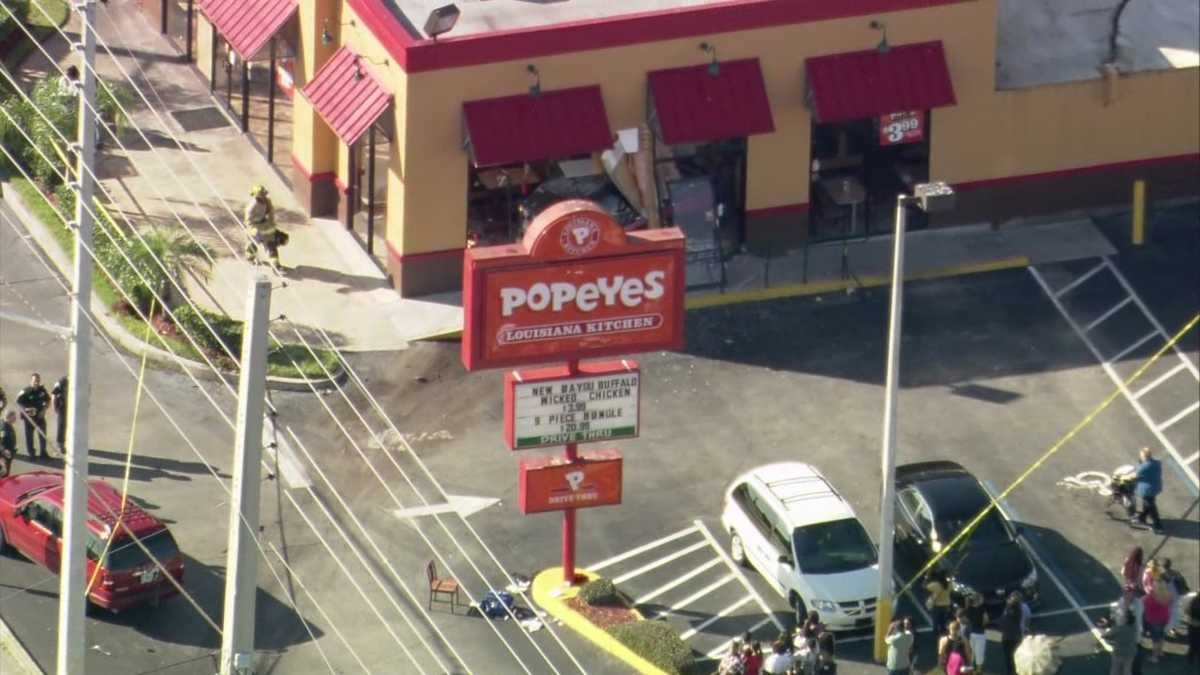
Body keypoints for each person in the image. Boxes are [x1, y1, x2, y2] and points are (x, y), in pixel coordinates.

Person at [243, 184, 288, 272]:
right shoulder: (251, 207)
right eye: (260, 196)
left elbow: (271, 213)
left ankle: (275, 265)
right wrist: (253, 230)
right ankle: (250, 257)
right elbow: (248, 221)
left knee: (271, 245)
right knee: (255, 244)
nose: (262, 198)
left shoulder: (267, 202)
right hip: (255, 228)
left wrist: (271, 225)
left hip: (265, 226)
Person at [1127, 447, 1163, 534]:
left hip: (1148, 490)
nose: (1140, 456)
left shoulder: (1144, 467)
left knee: (1151, 507)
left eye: (1141, 455)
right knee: (1148, 503)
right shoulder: (1157, 463)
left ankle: (1158, 525)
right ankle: (1142, 517)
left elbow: (1135, 475)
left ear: (1144, 456)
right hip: (1156, 486)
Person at [15, 373, 50, 460]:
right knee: (29, 437)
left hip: (40, 416)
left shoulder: (42, 391)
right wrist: (26, 410)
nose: (36, 382)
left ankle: (43, 453)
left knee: (43, 435)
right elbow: (18, 401)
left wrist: (44, 410)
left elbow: (48, 400)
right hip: (29, 418)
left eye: (38, 381)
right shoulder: (26, 391)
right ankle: (31, 454)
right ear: (31, 381)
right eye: (35, 381)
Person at [1143, 574, 1171, 662]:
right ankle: (1160, 652)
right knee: (1161, 636)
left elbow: (1145, 605)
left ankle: (1154, 657)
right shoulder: (1168, 594)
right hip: (1165, 618)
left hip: (1154, 620)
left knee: (1155, 639)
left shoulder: (1151, 598)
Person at [1105, 608, 1139, 675]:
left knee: (1115, 670)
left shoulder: (1118, 628)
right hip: (1130, 652)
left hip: (1119, 652)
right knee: (1127, 670)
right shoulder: (1133, 627)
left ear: (1125, 619)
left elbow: (1107, 635)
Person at [1000, 593, 1024, 675]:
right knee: (1009, 659)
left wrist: (1009, 604)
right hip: (1007, 637)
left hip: (1013, 637)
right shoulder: (1008, 608)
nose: (1010, 599)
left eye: (1012, 597)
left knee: (1013, 659)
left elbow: (1011, 616)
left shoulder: (1017, 609)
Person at [964, 592, 989, 671]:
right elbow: (986, 619)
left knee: (972, 651)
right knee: (979, 653)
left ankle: (971, 667)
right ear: (979, 600)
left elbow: (966, 620)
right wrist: (983, 625)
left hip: (971, 633)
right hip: (980, 633)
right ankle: (979, 670)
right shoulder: (982, 609)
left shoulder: (969, 608)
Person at [927, 570, 953, 639]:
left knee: (935, 622)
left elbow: (926, 587)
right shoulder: (949, 584)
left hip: (937, 606)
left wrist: (928, 578)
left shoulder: (936, 585)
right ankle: (944, 635)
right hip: (946, 605)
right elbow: (951, 589)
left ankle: (935, 636)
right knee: (943, 622)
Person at [1182, 590, 1200, 664]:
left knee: (1192, 642)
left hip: (1192, 623)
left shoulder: (1191, 599)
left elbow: (1186, 610)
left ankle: (1190, 658)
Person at [51, 376, 67, 452]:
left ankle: (72, 442)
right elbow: (54, 394)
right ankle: (60, 445)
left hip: (73, 407)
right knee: (61, 425)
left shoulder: (80, 381)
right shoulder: (61, 382)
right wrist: (54, 406)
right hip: (62, 407)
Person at [0, 411, 17, 477]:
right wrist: (4, 450)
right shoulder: (3, 428)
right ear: (9, 417)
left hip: (8, 453)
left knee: (6, 472)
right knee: (4, 473)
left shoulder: (9, 425)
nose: (15, 418)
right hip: (4, 454)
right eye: (14, 417)